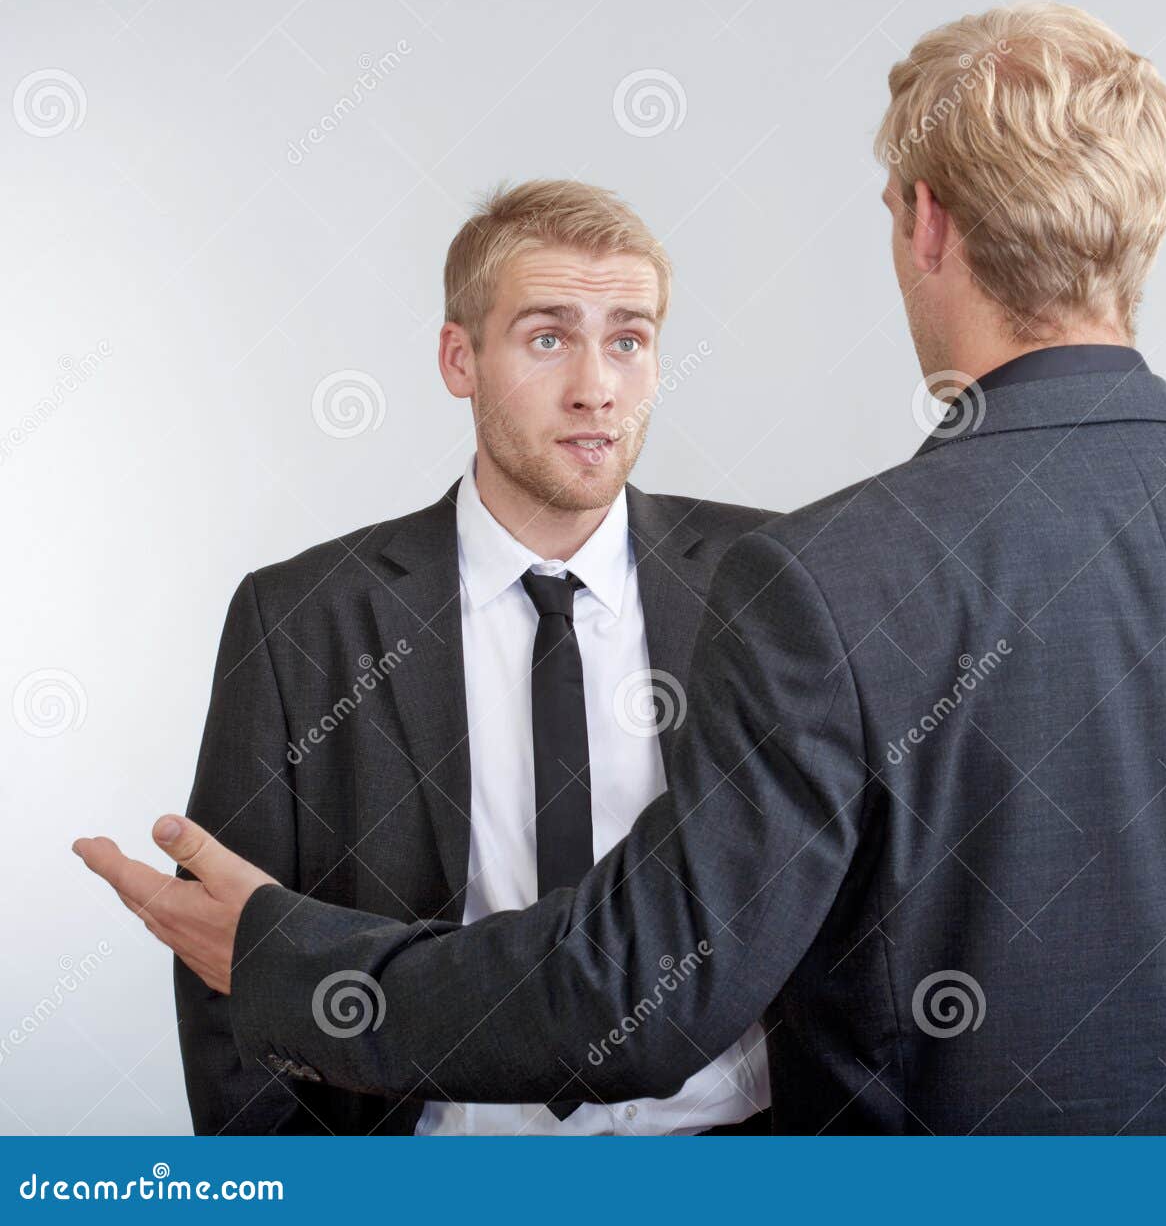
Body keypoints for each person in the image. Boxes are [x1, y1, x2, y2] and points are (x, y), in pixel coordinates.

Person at [80, 2, 1166, 1135]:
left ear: (924, 224)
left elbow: (637, 994)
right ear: (1143, 225)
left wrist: (285, 954)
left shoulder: (826, 578)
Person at [167, 180, 772, 1135]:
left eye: (628, 338)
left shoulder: (772, 585)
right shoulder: (301, 622)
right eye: (547, 337)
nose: (595, 386)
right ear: (461, 359)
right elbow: (229, 964)